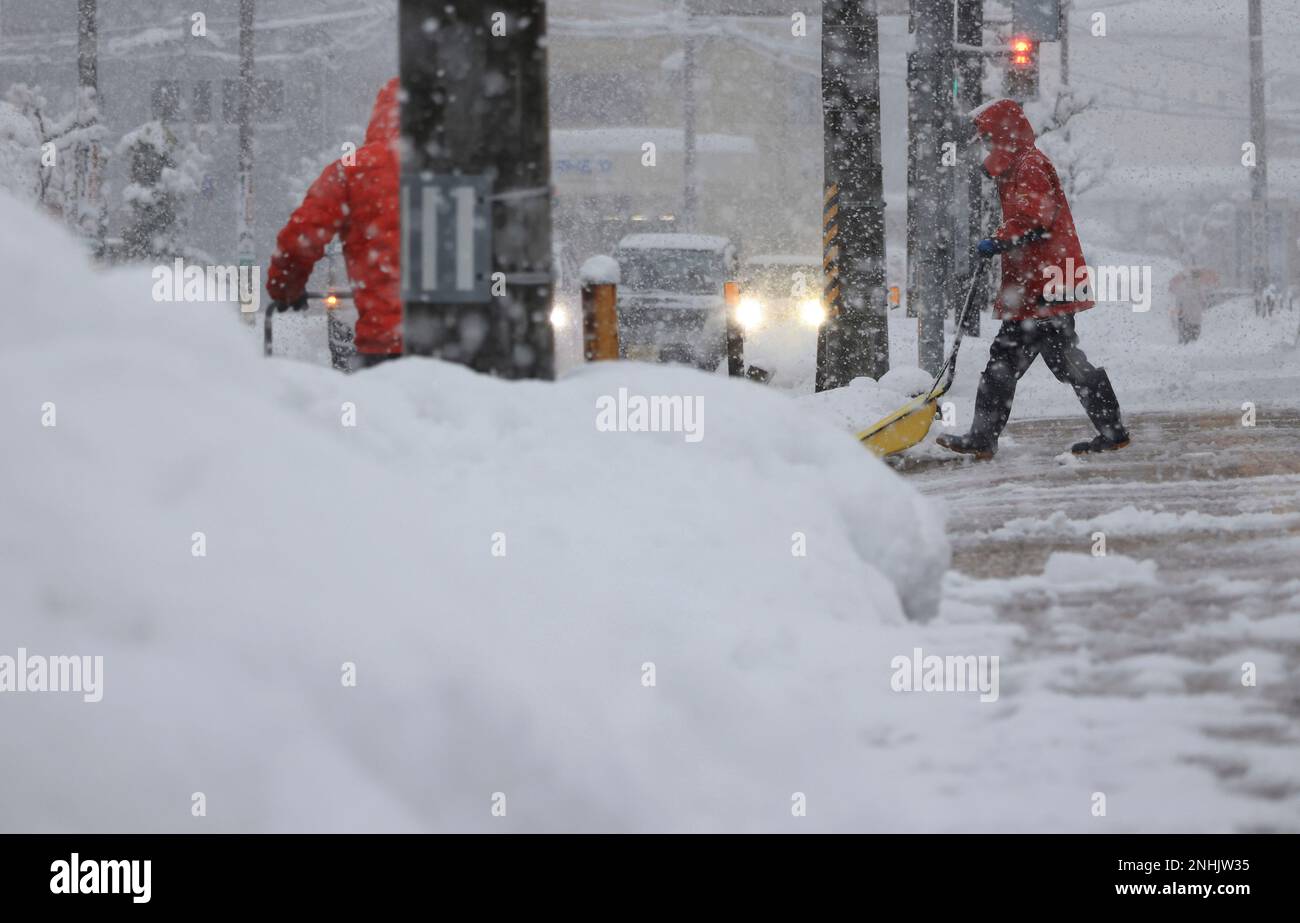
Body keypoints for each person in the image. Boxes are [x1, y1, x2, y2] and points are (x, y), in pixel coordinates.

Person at [937, 98, 1129, 460]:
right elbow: (1027, 220)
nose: (987, 145)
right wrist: (1001, 239)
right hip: (1040, 282)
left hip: (1046, 282)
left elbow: (1033, 220)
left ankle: (983, 437)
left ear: (1003, 134)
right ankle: (1112, 430)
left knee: (1010, 360)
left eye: (989, 138)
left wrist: (997, 240)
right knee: (1060, 360)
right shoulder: (1017, 168)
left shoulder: (1029, 166)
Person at [266, 78, 401, 369]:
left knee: (383, 411)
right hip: (463, 350)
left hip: (384, 344)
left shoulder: (353, 169)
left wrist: (286, 287)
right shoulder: (465, 168)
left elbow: (302, 235)